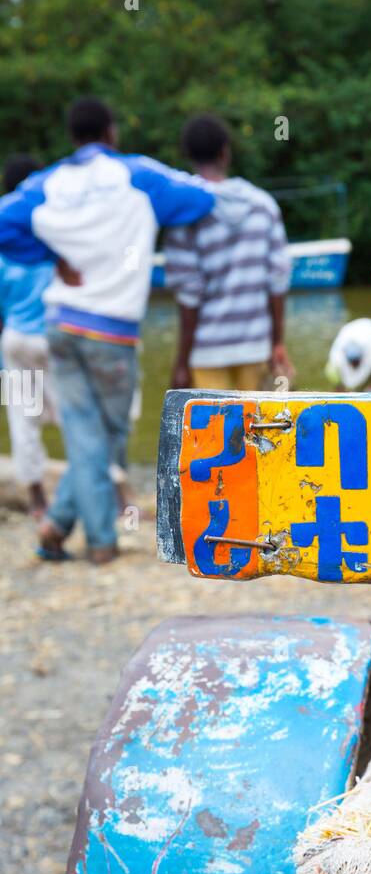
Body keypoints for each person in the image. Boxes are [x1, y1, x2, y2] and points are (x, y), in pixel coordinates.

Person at [0, 96, 219, 564]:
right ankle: (100, 542)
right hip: (111, 330)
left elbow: (5, 221)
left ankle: (57, 526)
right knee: (106, 439)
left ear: (72, 136)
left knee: (83, 435)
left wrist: (51, 255)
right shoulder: (136, 175)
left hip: (60, 323)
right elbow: (201, 196)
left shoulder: (47, 183)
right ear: (112, 132)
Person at [164, 114, 293, 391]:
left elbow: (189, 295)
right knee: (255, 431)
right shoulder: (263, 205)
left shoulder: (185, 214)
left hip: (206, 351)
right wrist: (277, 342)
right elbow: (278, 280)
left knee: (213, 433)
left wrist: (181, 362)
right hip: (255, 346)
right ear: (226, 152)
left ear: (188, 155)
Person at [0, 155, 57, 516]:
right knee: (82, 419)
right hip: (56, 338)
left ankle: (37, 501)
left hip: (16, 340)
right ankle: (115, 497)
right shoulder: (52, 232)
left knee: (24, 420)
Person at [326, 318, 371, 391]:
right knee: (332, 372)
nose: (354, 365)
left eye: (356, 362)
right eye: (352, 363)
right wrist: (341, 389)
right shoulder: (337, 353)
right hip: (352, 329)